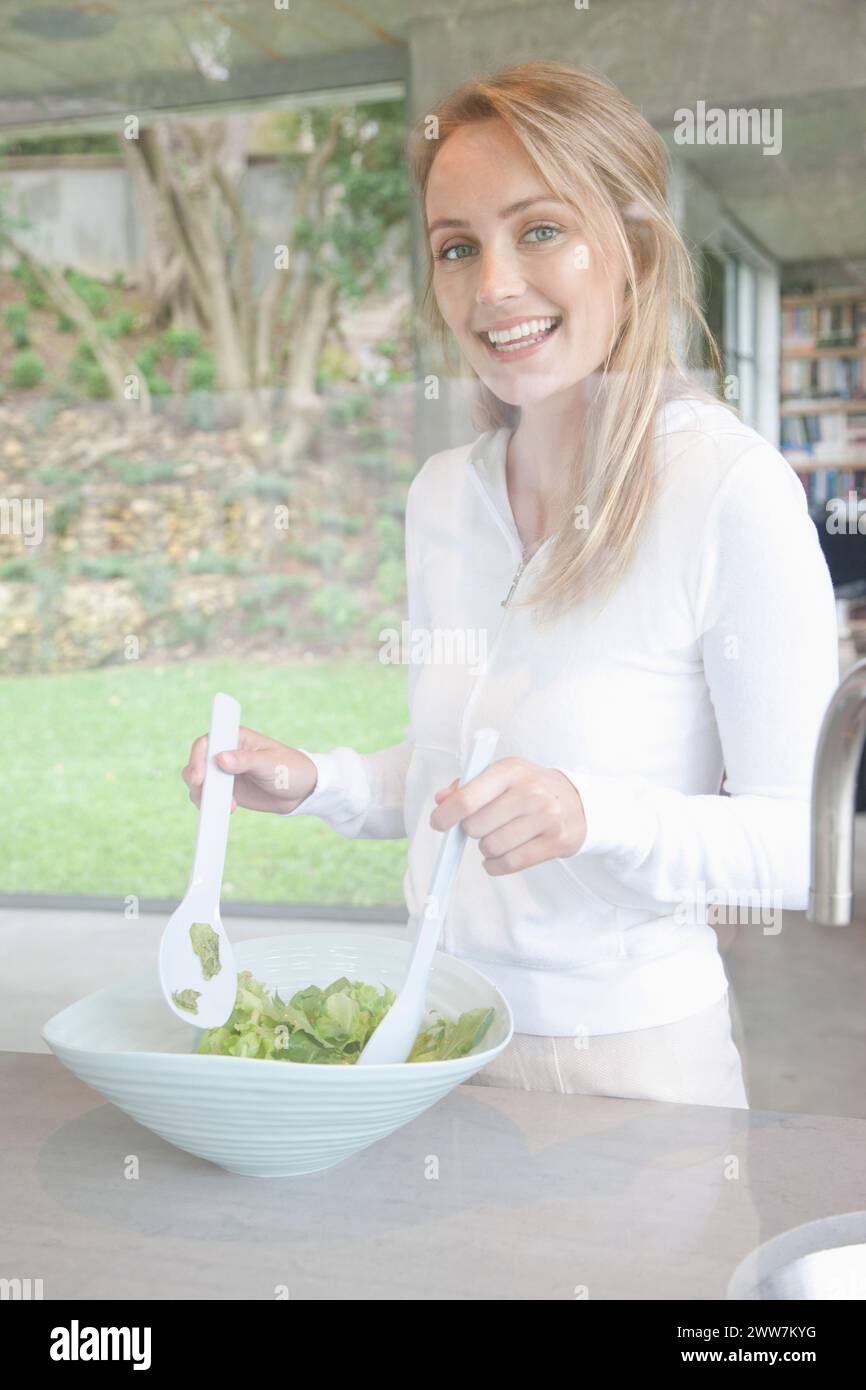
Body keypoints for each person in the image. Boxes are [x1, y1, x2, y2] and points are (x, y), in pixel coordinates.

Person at [182, 62, 839, 1109]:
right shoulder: (442, 496)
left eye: (538, 230)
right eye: (457, 247)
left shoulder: (726, 489)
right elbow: (453, 775)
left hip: (635, 1072)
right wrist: (320, 781)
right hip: (438, 1038)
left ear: (628, 245)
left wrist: (594, 813)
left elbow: (811, 846)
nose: (491, 285)